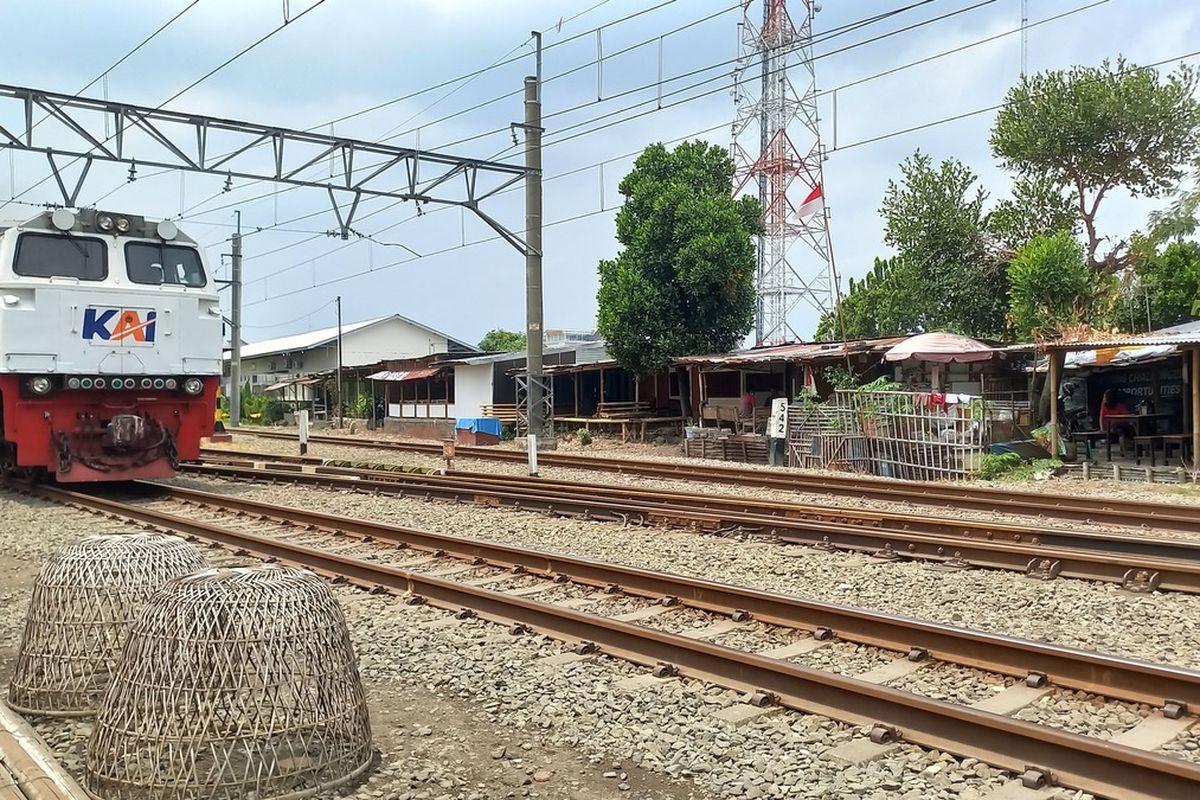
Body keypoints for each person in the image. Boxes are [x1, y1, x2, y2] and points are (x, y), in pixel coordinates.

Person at [1099, 389, 1133, 455]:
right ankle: (1123, 451)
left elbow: (1125, 415)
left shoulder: (1119, 405)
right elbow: (1101, 417)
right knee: (1121, 432)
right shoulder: (1104, 405)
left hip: (1122, 424)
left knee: (1134, 430)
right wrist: (1102, 429)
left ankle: (1142, 451)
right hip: (1111, 427)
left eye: (1104, 397)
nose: (1103, 399)